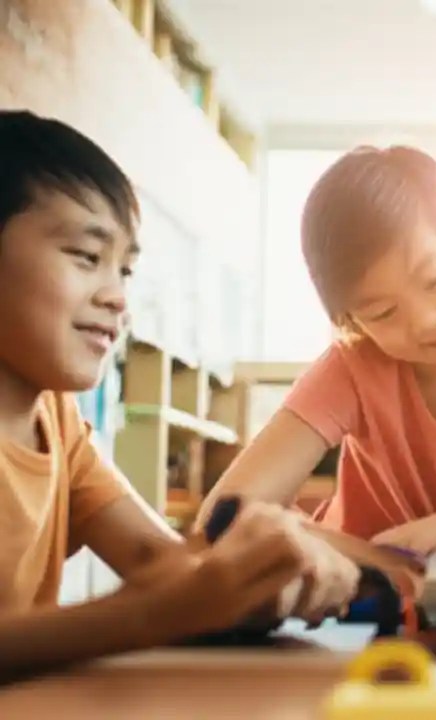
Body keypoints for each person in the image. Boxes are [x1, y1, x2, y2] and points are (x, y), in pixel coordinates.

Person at [0, 110, 357, 679]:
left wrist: (263, 568)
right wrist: (146, 614)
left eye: (126, 271)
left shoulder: (58, 422)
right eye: (88, 258)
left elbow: (158, 559)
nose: (117, 297)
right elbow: (156, 595)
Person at [199, 145, 436, 554]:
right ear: (351, 323)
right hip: (352, 596)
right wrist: (379, 560)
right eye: (383, 313)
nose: (424, 321)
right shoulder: (353, 367)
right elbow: (223, 518)